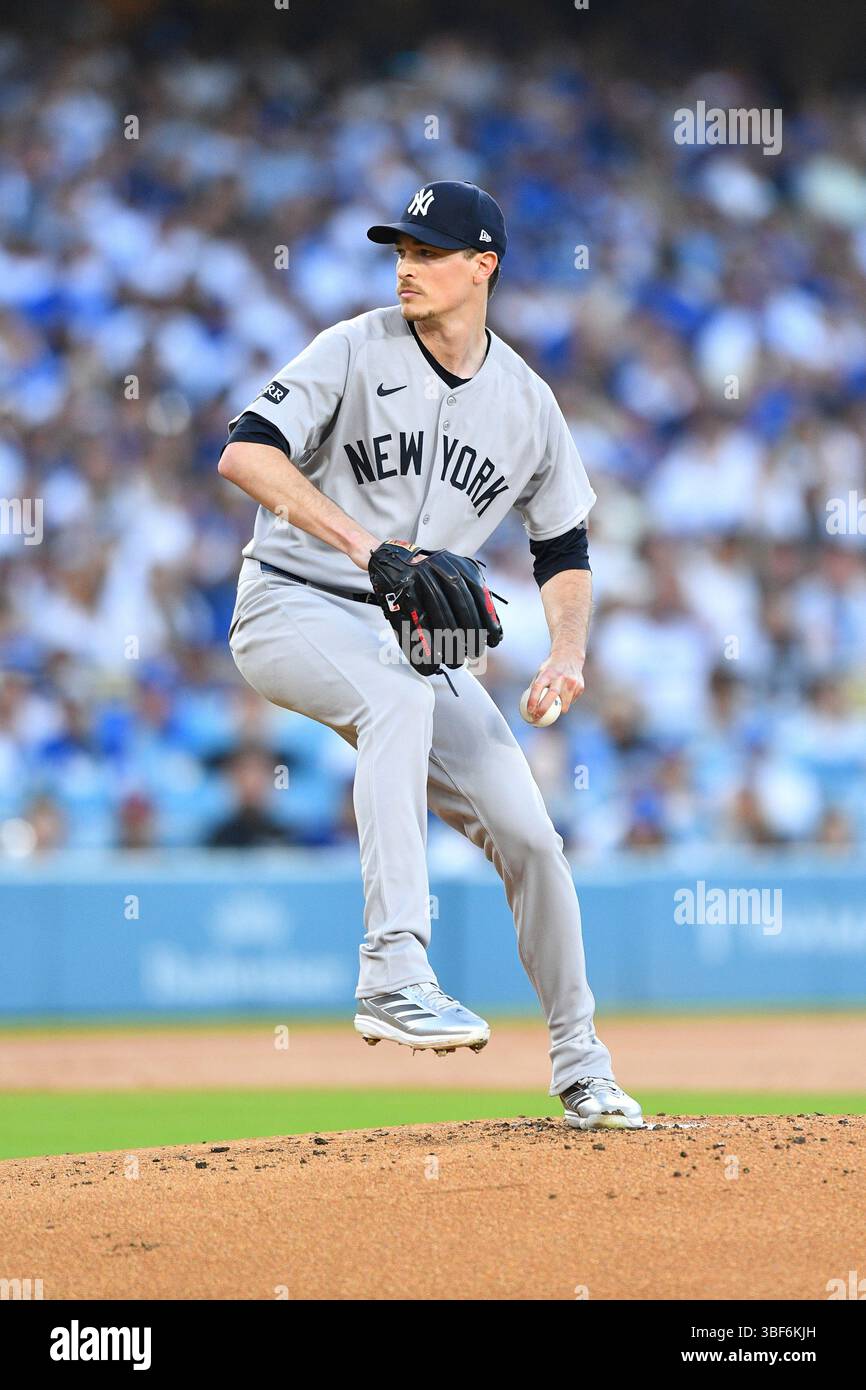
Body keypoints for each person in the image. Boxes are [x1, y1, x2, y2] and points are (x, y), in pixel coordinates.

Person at [218, 181, 642, 1130]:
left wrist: (566, 653)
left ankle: (584, 1067)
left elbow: (563, 546)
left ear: (482, 265)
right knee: (394, 701)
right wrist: (373, 551)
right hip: (291, 603)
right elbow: (245, 454)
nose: (405, 264)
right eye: (399, 249)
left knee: (530, 834)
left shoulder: (527, 403)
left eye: (427, 250)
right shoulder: (354, 347)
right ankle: (395, 971)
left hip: (415, 637)